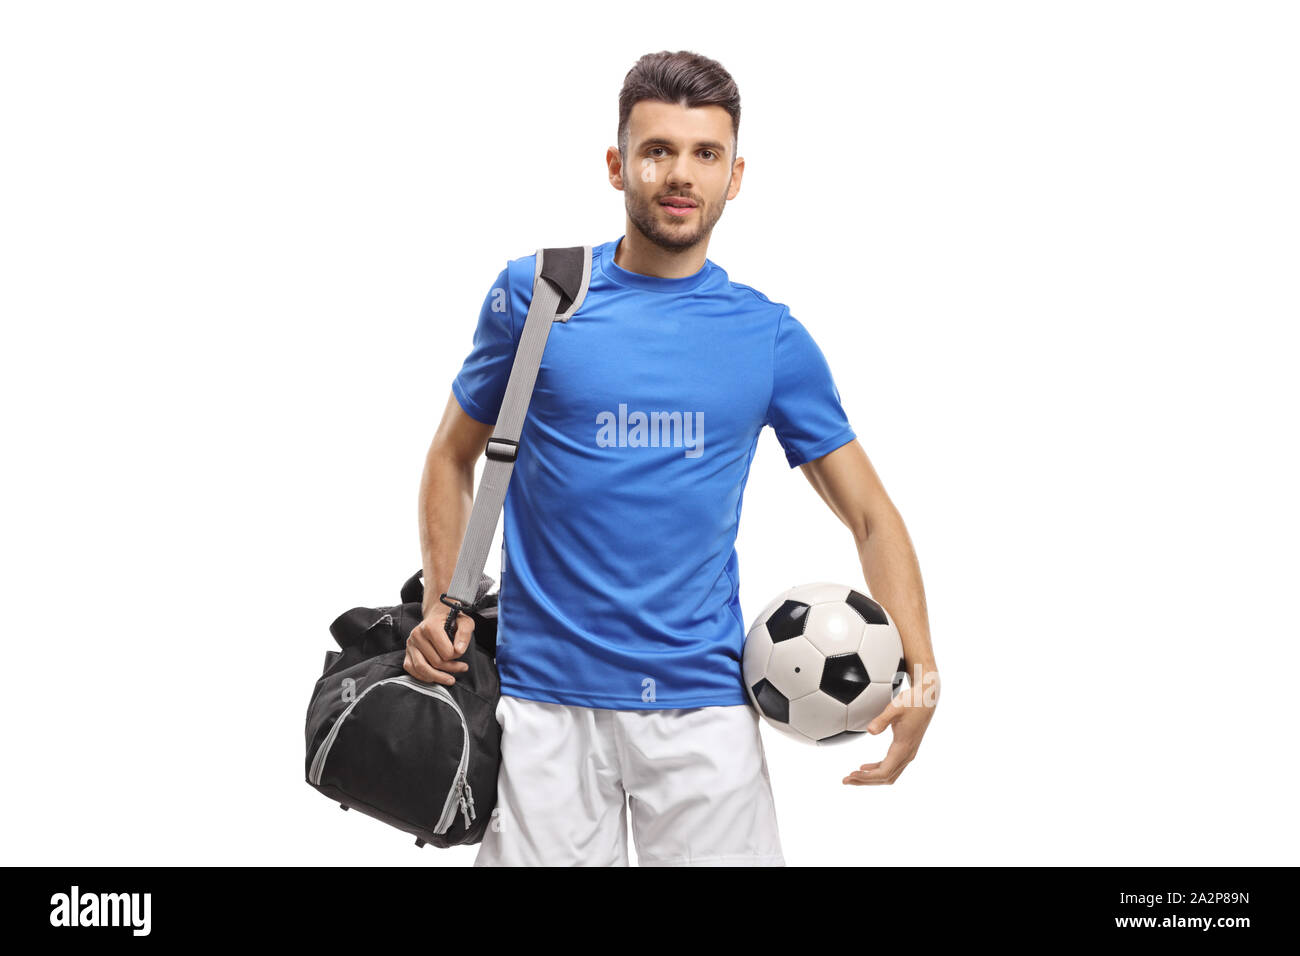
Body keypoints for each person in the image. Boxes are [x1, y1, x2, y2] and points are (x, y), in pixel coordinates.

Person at [407, 50, 941, 866]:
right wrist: (445, 600)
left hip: (706, 712)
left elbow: (870, 513)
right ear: (618, 165)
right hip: (544, 705)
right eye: (657, 151)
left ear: (736, 176)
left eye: (705, 154)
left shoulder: (768, 337)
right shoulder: (539, 296)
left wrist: (921, 671)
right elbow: (451, 456)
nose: (680, 174)